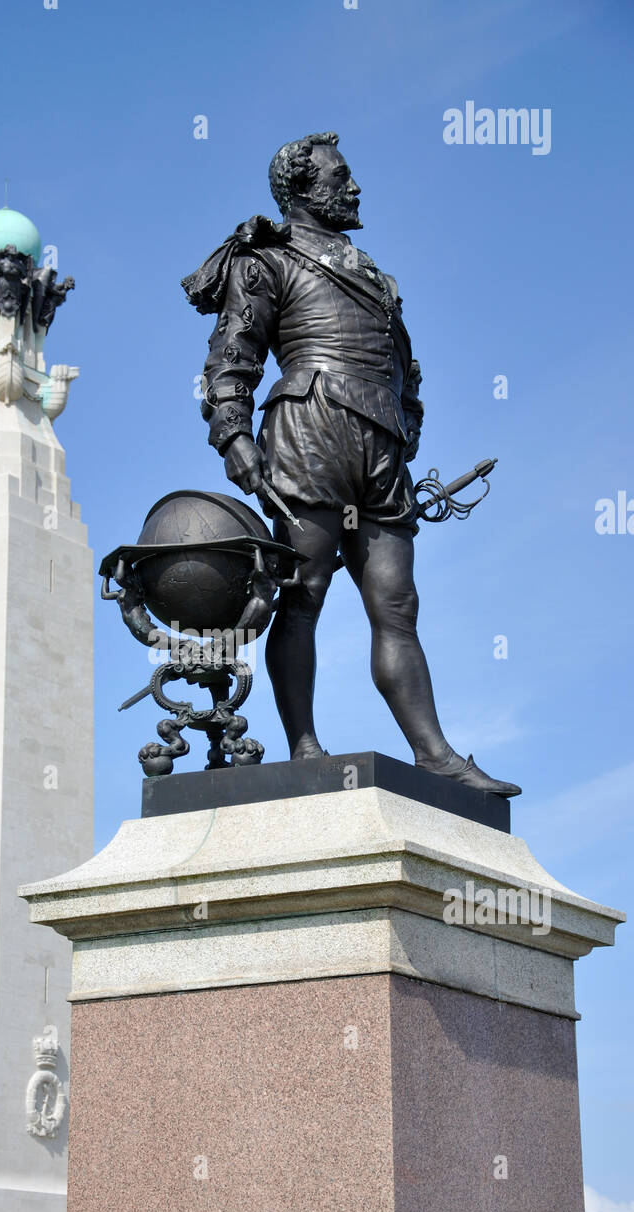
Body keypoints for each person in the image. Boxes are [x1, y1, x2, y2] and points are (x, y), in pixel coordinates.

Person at [182, 132, 520, 796]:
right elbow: (230, 359)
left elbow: (405, 367)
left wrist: (408, 425)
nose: (354, 187)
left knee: (397, 604)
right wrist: (234, 437)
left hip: (380, 445)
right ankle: (302, 743)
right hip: (308, 430)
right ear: (300, 191)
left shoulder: (374, 276)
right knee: (302, 594)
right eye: (340, 177)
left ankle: (434, 754)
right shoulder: (266, 261)